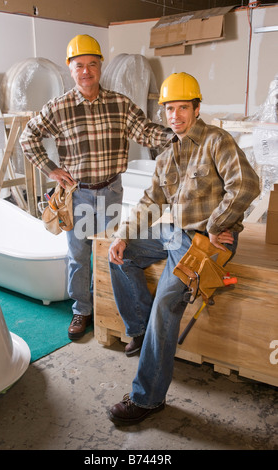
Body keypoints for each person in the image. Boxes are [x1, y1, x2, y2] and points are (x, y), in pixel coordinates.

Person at [108, 72, 260, 425]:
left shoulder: (216, 141)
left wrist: (215, 225)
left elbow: (246, 185)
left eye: (182, 108)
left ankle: (148, 399)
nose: (175, 115)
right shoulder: (166, 155)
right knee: (119, 256)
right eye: (169, 109)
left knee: (166, 303)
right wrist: (123, 234)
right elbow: (151, 200)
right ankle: (143, 331)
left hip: (209, 241)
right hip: (174, 234)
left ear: (196, 108)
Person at [20, 34, 172, 340]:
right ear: (70, 69)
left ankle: (108, 309)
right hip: (77, 195)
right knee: (78, 255)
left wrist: (178, 135)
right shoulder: (59, 107)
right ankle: (82, 310)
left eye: (92, 64)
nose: (86, 71)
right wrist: (51, 169)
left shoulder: (120, 104)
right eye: (79, 65)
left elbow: (145, 133)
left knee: (112, 253)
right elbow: (28, 138)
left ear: (100, 66)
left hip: (112, 190)